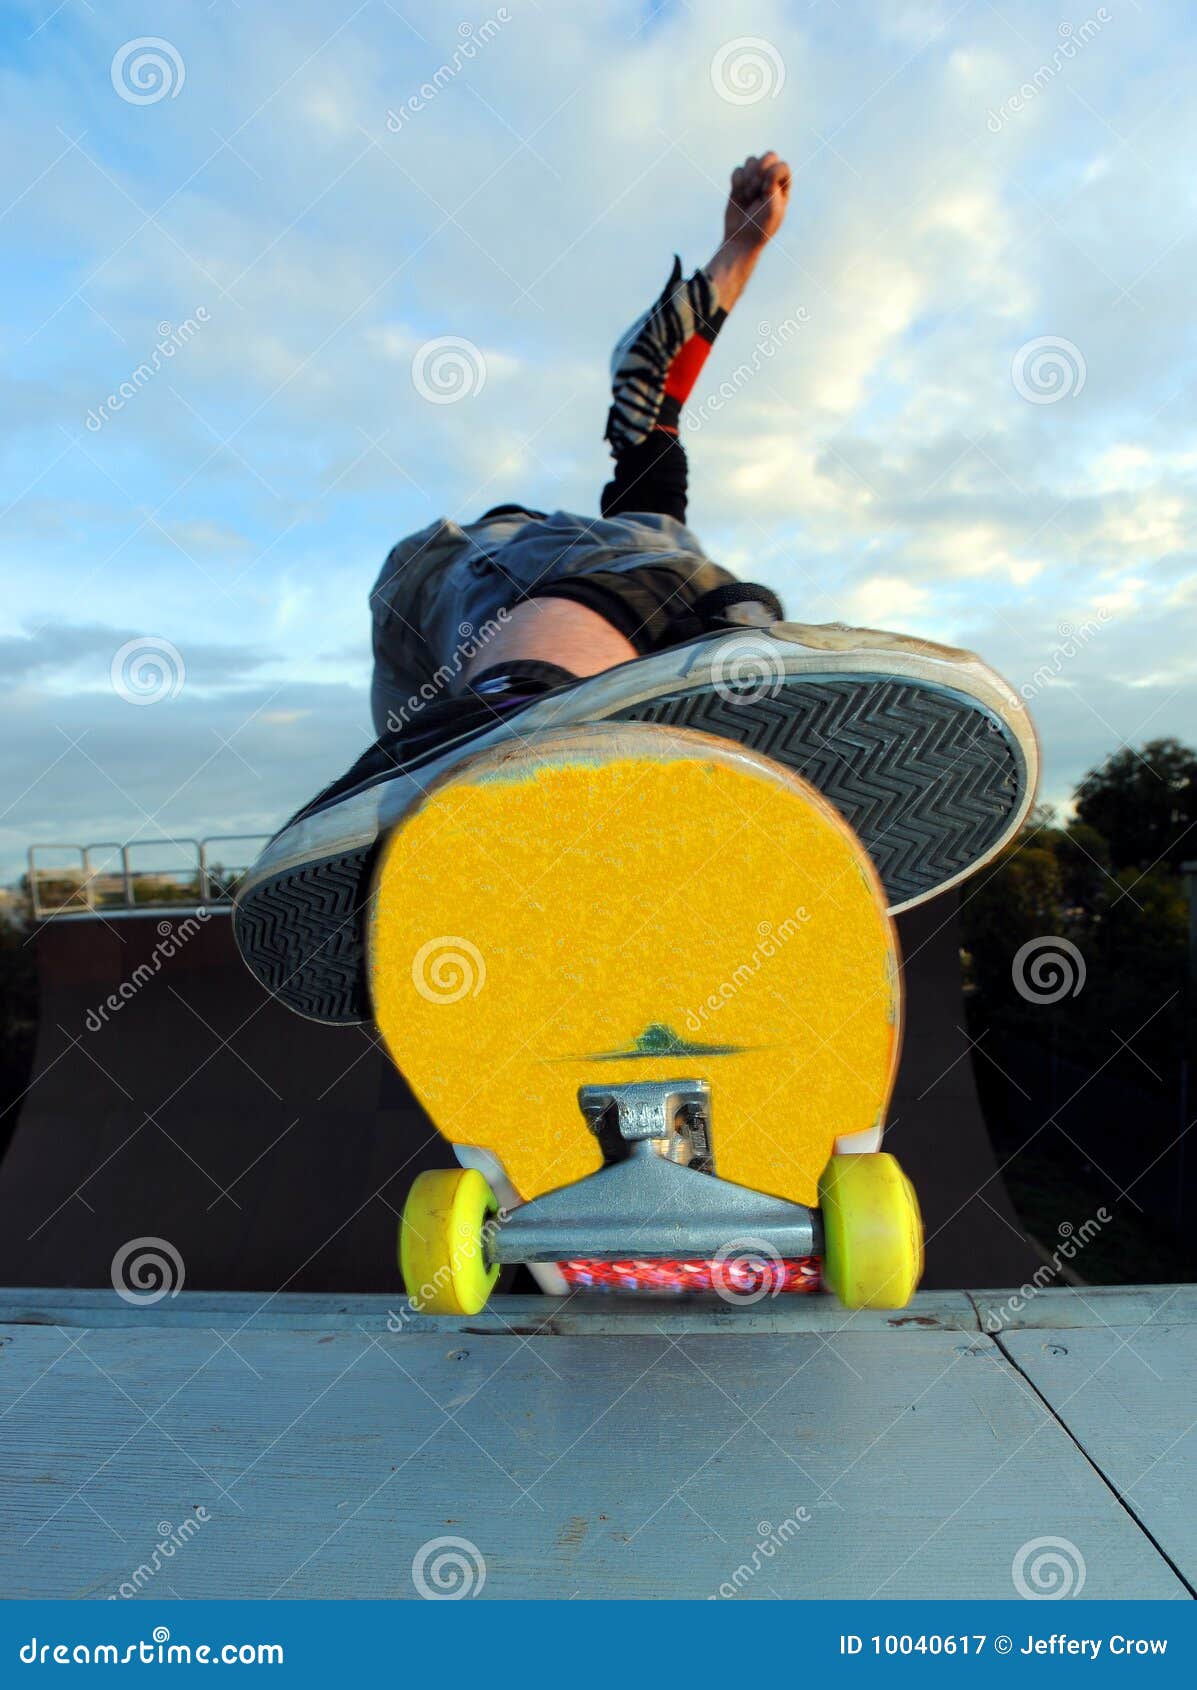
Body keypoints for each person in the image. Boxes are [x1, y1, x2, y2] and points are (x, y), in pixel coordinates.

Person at [233, 152, 1037, 1023]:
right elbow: (643, 368)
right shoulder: (609, 525)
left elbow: (647, 372)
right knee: (650, 565)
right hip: (453, 590)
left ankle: (663, 690)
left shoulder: (648, 531)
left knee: (679, 581)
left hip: (571, 636)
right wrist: (737, 254)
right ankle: (517, 714)